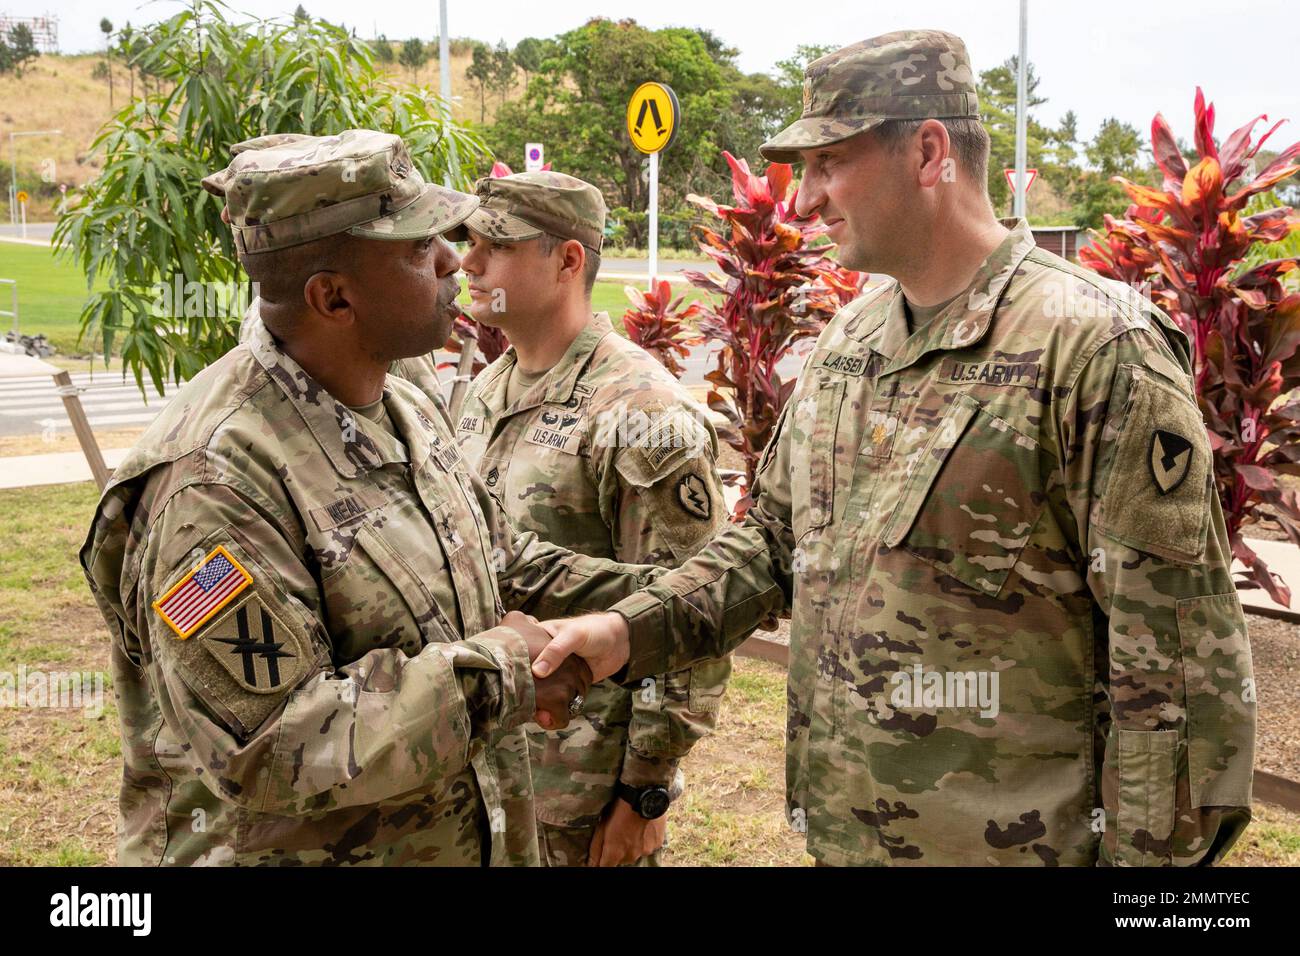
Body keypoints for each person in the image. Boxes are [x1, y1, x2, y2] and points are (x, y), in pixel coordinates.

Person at [533, 30, 1256, 867]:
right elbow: (769, 544)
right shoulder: (851, 343)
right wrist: (624, 631)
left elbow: (1177, 684)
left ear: (927, 152)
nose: (803, 202)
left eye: (828, 163)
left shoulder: (1095, 352)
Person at [80, 130, 663, 866]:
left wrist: (668, 604)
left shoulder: (402, 407)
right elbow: (274, 741)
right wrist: (503, 668)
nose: (456, 261)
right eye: (420, 251)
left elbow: (496, 563)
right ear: (333, 296)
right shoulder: (211, 483)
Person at [452, 171, 733, 866]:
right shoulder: (486, 391)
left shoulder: (640, 410)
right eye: (468, 242)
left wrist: (645, 792)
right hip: (486, 775)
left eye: (496, 245)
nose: (469, 263)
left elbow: (695, 608)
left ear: (568, 260)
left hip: (581, 797)